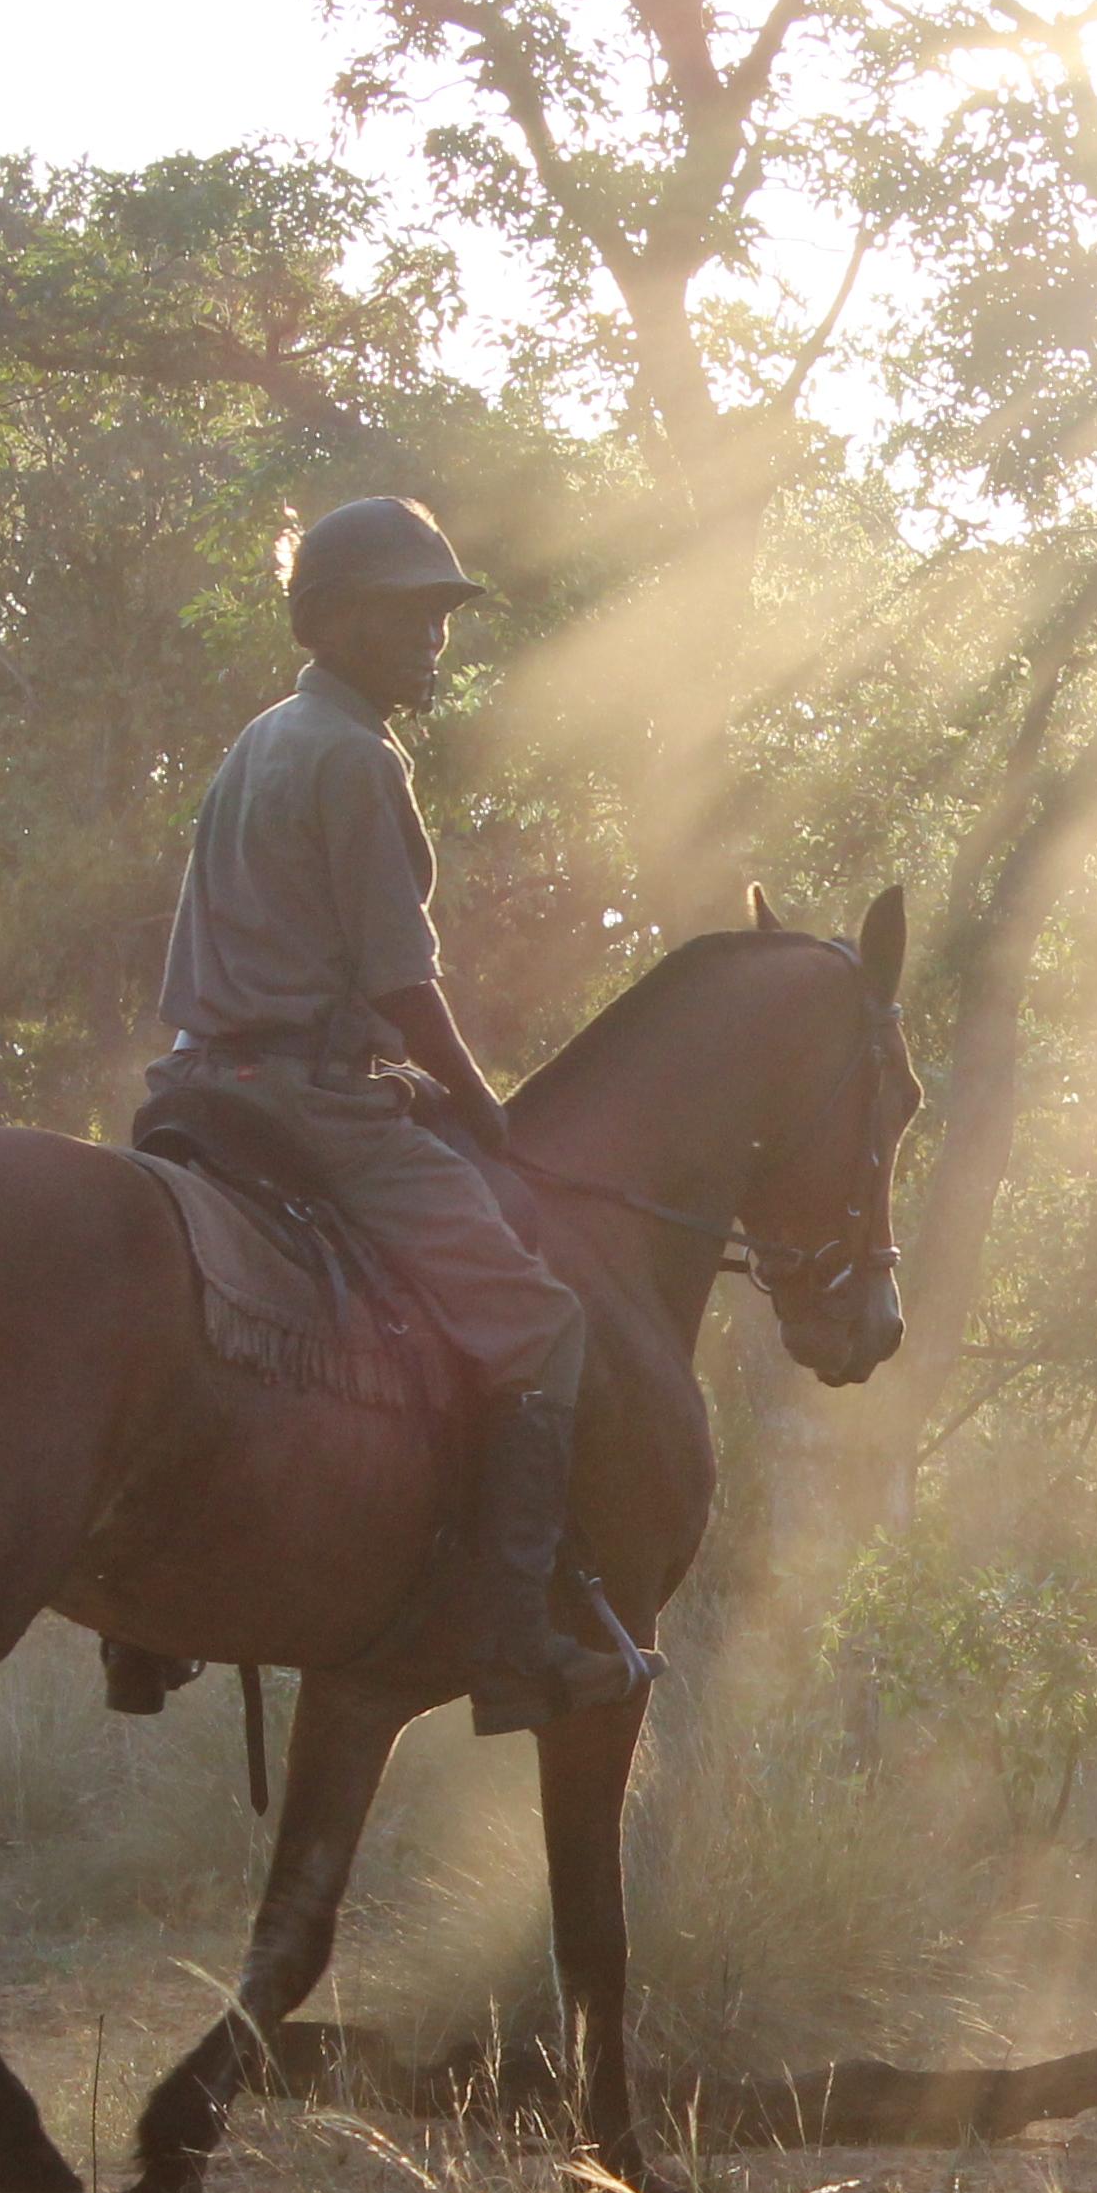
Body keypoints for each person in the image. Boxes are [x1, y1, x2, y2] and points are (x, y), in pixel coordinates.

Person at [145, 495, 625, 1736]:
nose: (432, 639)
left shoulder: (263, 737)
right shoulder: (357, 756)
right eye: (405, 615)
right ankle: (513, 1640)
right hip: (309, 1107)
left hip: (202, 1086)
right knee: (540, 1324)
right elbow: (404, 982)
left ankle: (137, 1628)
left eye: (441, 616)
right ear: (333, 623)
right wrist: (483, 1104)